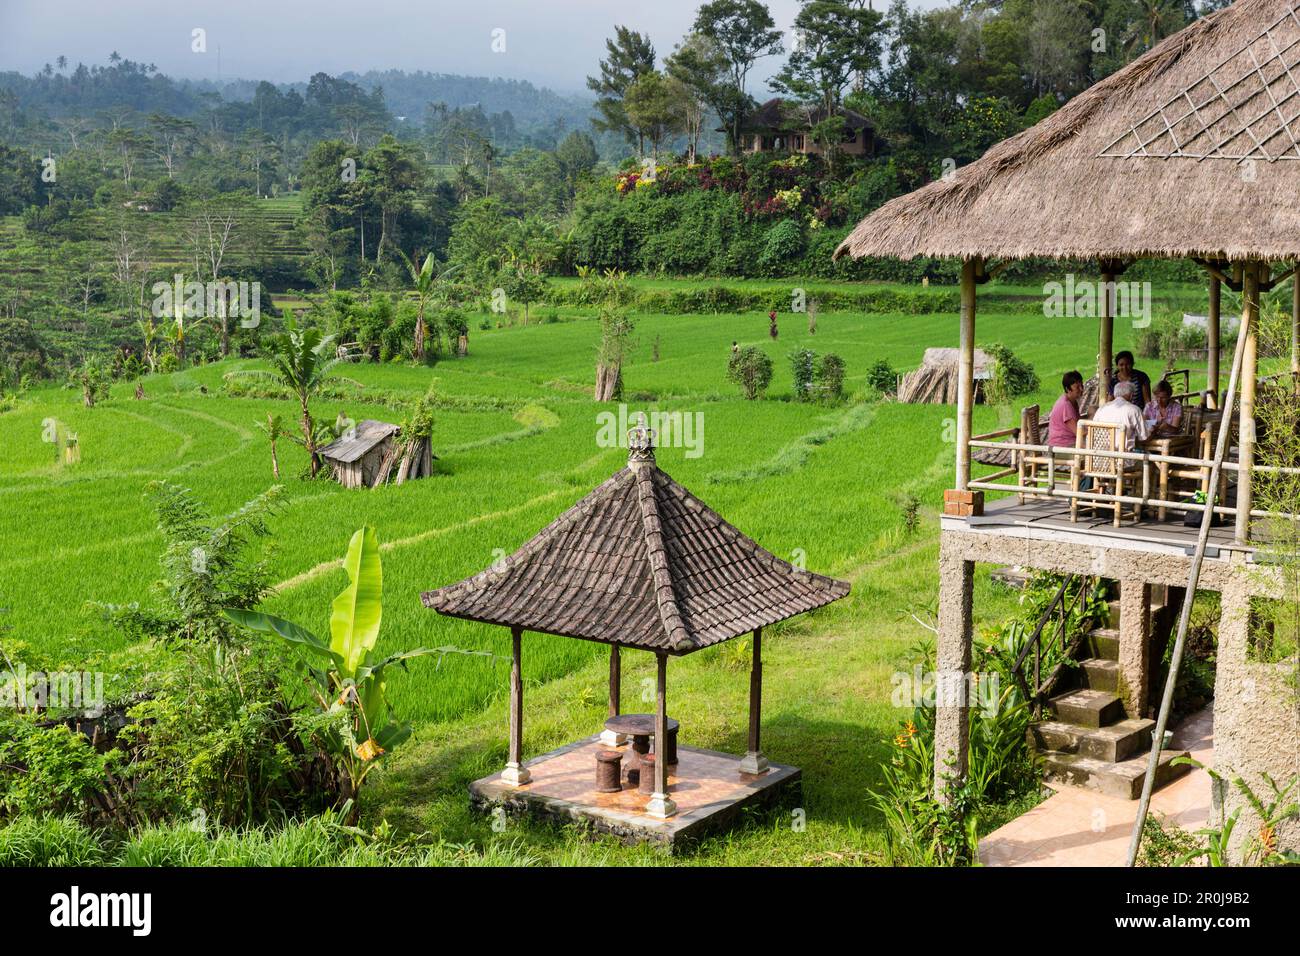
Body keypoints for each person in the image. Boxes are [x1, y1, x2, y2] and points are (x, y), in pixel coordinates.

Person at [1095, 380, 1151, 451]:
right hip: (1123, 457)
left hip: (1100, 456)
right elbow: (1144, 438)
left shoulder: (1101, 409)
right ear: (1131, 395)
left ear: (1115, 394)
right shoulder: (1134, 410)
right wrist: (1155, 431)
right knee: (1145, 457)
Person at [1049, 370, 1085, 448]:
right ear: (1068, 389)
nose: (1081, 389)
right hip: (1061, 448)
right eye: (1077, 387)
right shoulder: (1066, 405)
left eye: (1082, 385)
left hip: (1070, 444)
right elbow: (1079, 432)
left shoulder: (1073, 401)